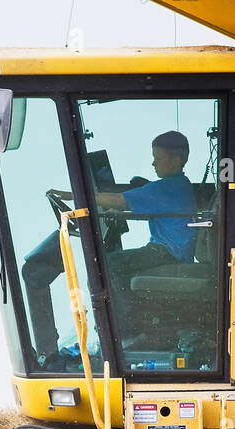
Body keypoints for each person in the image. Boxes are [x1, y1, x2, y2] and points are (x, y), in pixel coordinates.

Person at [21, 130, 196, 365]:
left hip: (167, 253)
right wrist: (119, 212)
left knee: (108, 264)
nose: (153, 163)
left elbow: (119, 199)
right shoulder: (175, 187)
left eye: (158, 158)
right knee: (114, 263)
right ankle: (123, 330)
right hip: (170, 251)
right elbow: (148, 209)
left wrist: (72, 195)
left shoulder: (168, 186)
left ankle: (125, 334)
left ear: (176, 160)